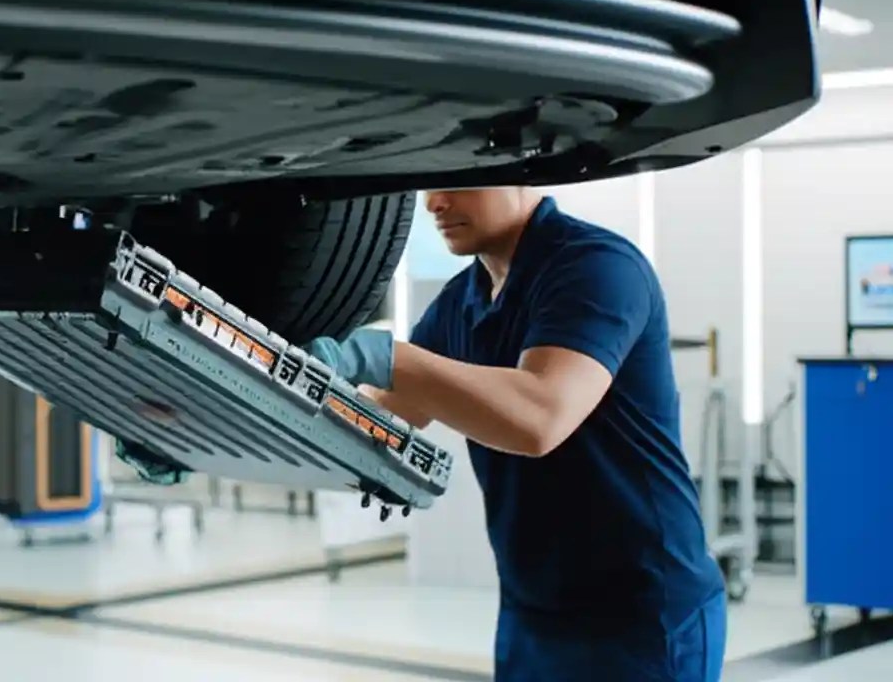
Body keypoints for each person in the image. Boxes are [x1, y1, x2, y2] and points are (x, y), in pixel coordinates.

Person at [307, 187, 728, 682]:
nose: (433, 204)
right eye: (429, 187)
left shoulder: (598, 266)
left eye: (458, 181)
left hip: (642, 613)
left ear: (519, 170)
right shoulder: (459, 302)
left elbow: (539, 418)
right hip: (534, 609)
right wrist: (275, 380)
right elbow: (386, 421)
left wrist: (384, 357)